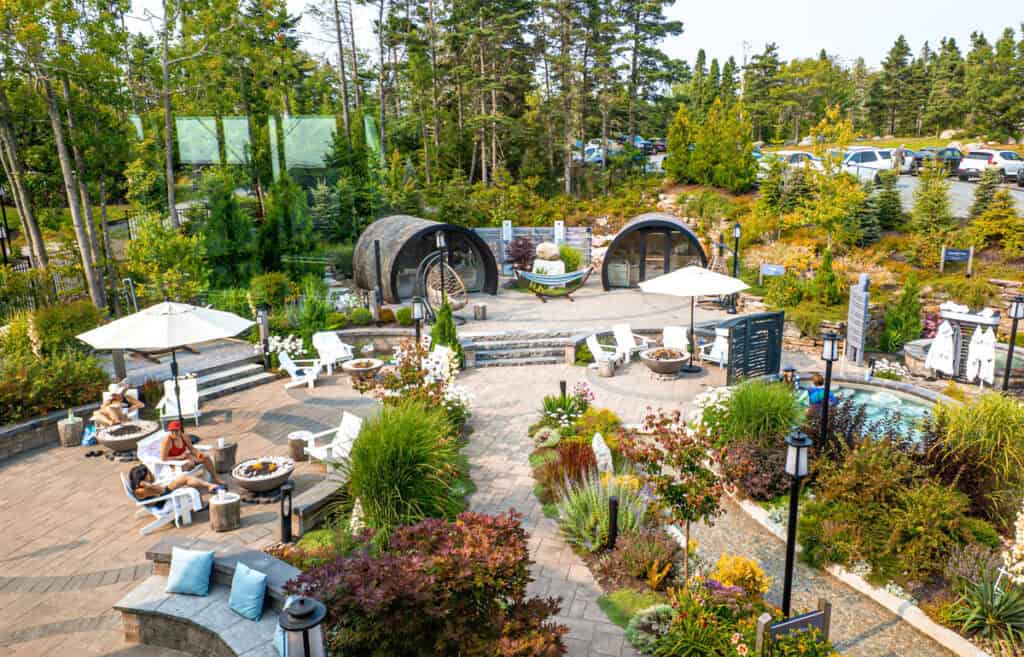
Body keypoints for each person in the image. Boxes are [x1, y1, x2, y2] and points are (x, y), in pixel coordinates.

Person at [128, 464, 219, 515]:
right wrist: (148, 485)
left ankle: (209, 487)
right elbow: (161, 490)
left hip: (162, 495)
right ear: (142, 476)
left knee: (186, 478)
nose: (150, 475)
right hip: (162, 499)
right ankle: (209, 486)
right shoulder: (140, 491)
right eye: (148, 474)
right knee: (185, 478)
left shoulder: (141, 488)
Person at [161, 420, 224, 485]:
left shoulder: (184, 436)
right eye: (172, 431)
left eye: (176, 431)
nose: (174, 433)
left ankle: (215, 478)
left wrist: (199, 454)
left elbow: (192, 449)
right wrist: (179, 457)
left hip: (186, 457)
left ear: (180, 430)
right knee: (190, 463)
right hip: (175, 463)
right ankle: (187, 483)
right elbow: (163, 458)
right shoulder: (167, 441)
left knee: (206, 457)